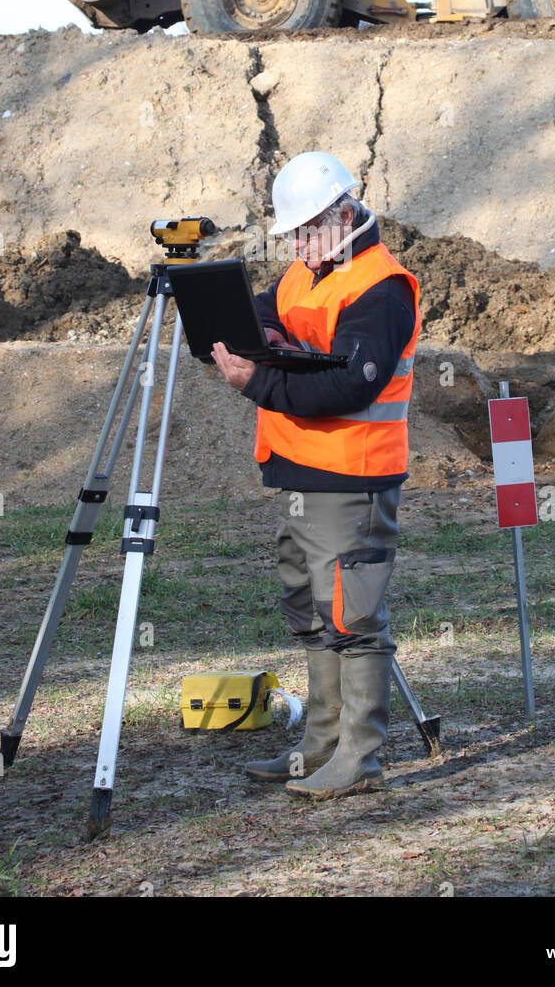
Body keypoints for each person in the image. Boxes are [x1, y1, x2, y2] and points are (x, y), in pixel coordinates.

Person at [211, 152, 420, 800]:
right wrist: (261, 330)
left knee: (354, 618)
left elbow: (350, 386)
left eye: (306, 231)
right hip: (300, 469)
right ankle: (319, 744)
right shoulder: (307, 272)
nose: (297, 246)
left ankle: (360, 759)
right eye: (293, 234)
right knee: (309, 607)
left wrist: (258, 382)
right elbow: (269, 310)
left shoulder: (381, 287)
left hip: (351, 475)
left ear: (345, 215)